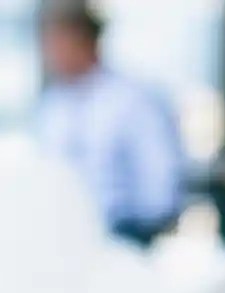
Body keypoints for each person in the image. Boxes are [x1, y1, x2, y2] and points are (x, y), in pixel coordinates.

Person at [36, 4, 186, 247]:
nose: (51, 53)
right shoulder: (53, 105)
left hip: (125, 238)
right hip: (63, 238)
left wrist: (141, 233)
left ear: (85, 40)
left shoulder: (132, 100)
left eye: (59, 41)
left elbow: (160, 184)